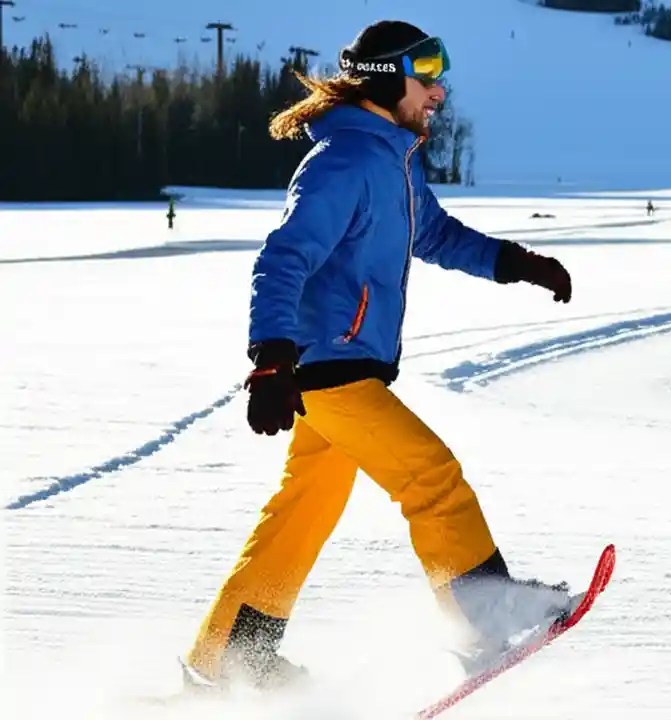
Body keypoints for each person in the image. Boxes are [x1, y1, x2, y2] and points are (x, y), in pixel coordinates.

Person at [183, 20, 576, 691]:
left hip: (340, 366)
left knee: (301, 513)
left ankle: (230, 655)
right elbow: (283, 259)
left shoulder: (388, 160)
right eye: (428, 80)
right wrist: (271, 359)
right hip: (329, 369)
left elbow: (437, 234)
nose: (440, 95)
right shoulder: (345, 163)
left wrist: (516, 263)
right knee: (431, 476)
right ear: (391, 79)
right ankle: (483, 612)